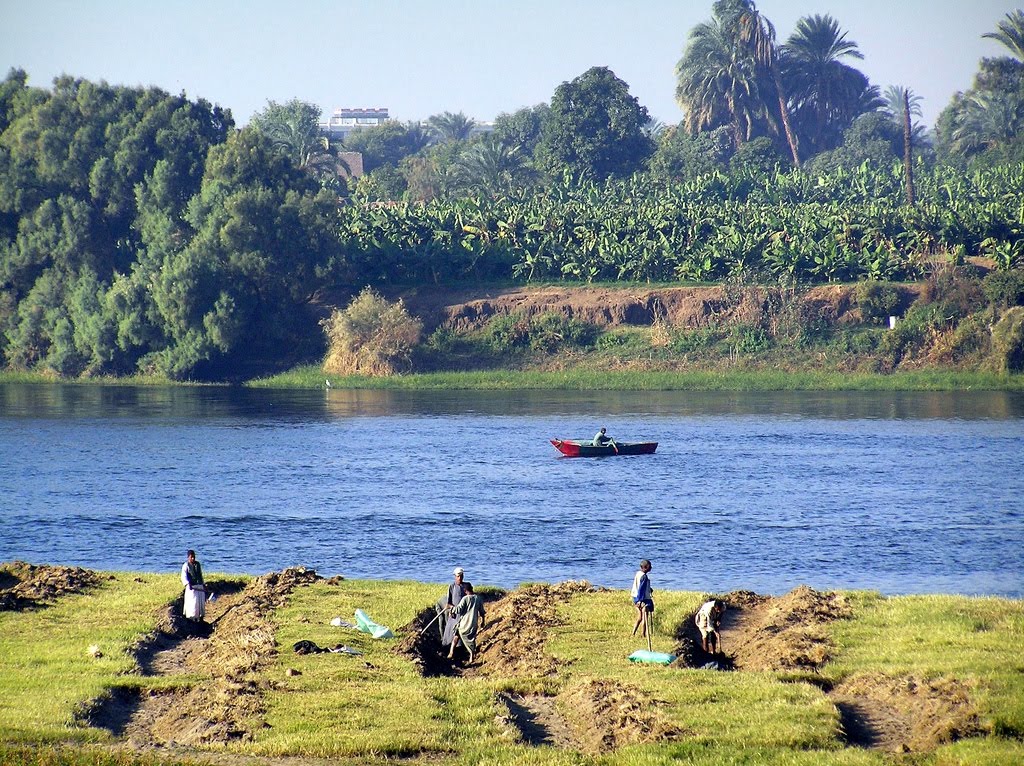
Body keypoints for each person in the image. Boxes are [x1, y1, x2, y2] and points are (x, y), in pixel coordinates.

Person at [448, 582, 486, 664]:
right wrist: (483, 621)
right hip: (473, 624)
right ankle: (456, 653)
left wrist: (451, 608)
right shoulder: (478, 598)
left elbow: (458, 609)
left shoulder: (465, 599)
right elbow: (482, 612)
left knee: (461, 637)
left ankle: (455, 653)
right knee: (466, 638)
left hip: (464, 624)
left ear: (465, 591)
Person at [436, 567, 470, 647]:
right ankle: (445, 643)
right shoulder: (452, 587)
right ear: (455, 576)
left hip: (462, 613)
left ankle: (462, 646)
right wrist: (453, 609)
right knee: (446, 625)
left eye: (461, 576)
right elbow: (449, 603)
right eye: (458, 576)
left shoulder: (466, 586)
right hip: (453, 612)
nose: (460, 578)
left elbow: (470, 598)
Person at [181, 549, 206, 622]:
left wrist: (203, 584)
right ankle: (192, 619)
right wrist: (188, 584)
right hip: (192, 588)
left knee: (200, 602)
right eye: (191, 557)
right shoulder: (186, 565)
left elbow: (200, 575)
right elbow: (183, 576)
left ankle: (200, 618)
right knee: (193, 603)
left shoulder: (198, 564)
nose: (193, 558)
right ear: (188, 557)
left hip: (199, 586)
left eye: (194, 557)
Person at [630, 559, 654, 637]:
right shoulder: (644, 577)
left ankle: (633, 633)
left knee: (639, 617)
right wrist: (641, 601)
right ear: (646, 567)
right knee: (644, 617)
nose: (651, 568)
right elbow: (641, 589)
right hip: (643, 599)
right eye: (650, 567)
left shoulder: (638, 574)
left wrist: (649, 589)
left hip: (635, 598)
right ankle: (643, 634)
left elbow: (639, 586)